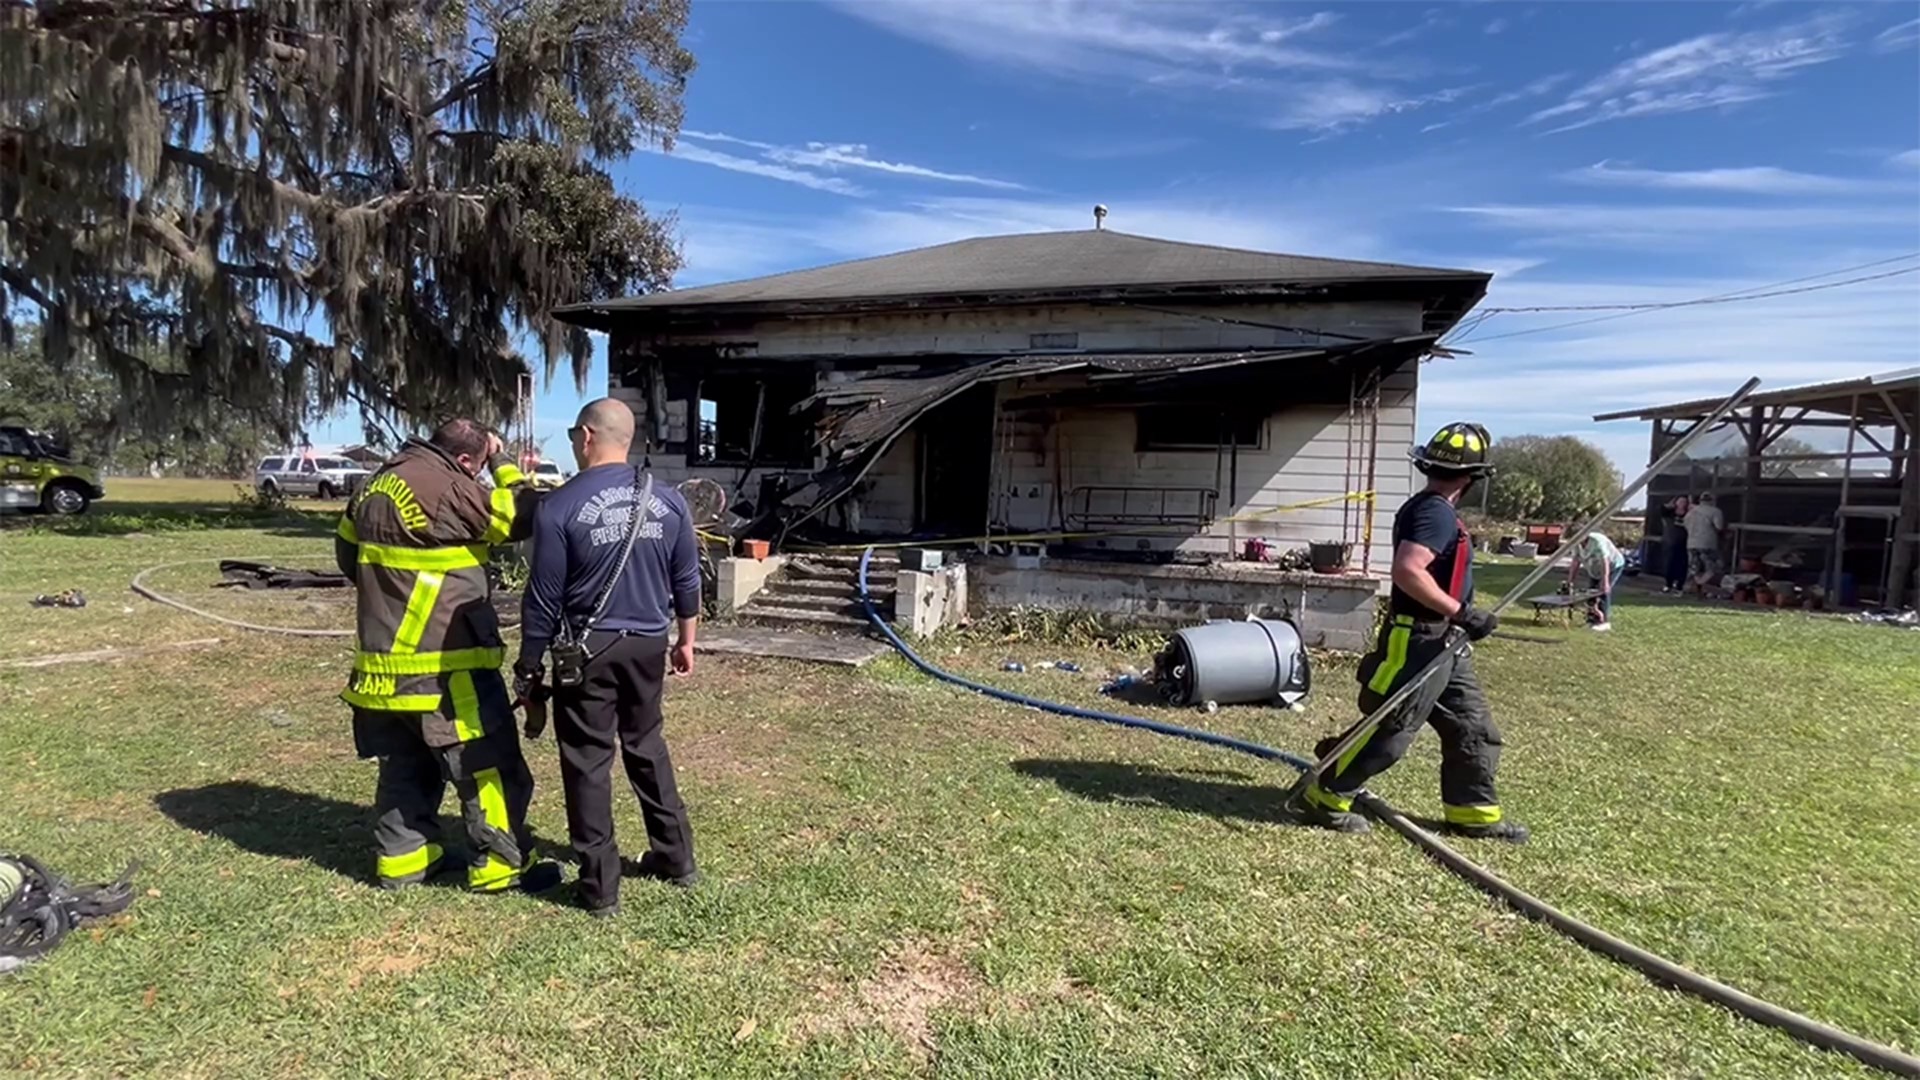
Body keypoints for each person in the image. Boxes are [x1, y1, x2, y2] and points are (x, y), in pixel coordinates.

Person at [335, 420, 560, 893]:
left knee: (405, 765)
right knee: (488, 763)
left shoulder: (375, 484)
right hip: (445, 665)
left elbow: (347, 557)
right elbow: (526, 512)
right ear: (463, 460)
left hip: (381, 669)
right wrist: (501, 461)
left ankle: (403, 861)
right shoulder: (445, 488)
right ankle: (500, 864)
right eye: (475, 466)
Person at [1296, 422, 1527, 843]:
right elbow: (1407, 570)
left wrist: (1457, 620)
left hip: (1446, 641)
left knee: (1472, 728)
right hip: (1419, 639)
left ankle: (1472, 813)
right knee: (1392, 728)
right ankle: (1325, 797)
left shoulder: (1435, 510)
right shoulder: (1434, 513)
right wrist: (1462, 612)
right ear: (1473, 477)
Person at [516, 399, 703, 918]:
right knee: (647, 744)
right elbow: (687, 579)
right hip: (648, 643)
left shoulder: (559, 506)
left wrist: (528, 666)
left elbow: (543, 598)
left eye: (574, 437)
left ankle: (600, 887)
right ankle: (677, 859)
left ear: (586, 437)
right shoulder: (668, 501)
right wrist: (686, 640)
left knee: (587, 760)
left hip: (588, 650)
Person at [1566, 528, 1627, 631]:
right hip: (1594, 569)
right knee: (1590, 593)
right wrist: (1570, 581)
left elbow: (1605, 561)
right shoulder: (1576, 545)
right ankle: (1591, 620)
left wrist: (1605, 581)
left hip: (1612, 566)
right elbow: (1575, 561)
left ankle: (1604, 622)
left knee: (1603, 592)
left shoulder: (1597, 541)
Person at [1683, 492, 1727, 594]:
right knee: (1715, 566)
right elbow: (1719, 526)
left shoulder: (1691, 512)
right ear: (1712, 500)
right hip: (1708, 543)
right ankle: (1700, 583)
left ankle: (1696, 584)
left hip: (1691, 543)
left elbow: (1685, 525)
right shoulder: (1715, 511)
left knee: (1694, 567)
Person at [1659, 495, 1691, 594]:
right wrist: (1671, 504)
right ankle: (1668, 584)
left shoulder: (1689, 514)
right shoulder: (1670, 513)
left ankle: (1679, 586)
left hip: (1684, 542)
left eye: (1684, 502)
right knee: (1669, 563)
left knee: (1682, 564)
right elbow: (1662, 509)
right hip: (1671, 541)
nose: (1682, 504)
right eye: (1680, 501)